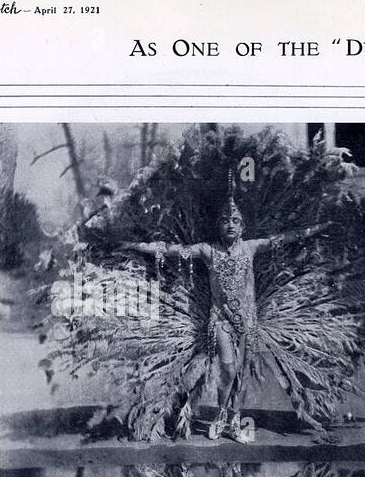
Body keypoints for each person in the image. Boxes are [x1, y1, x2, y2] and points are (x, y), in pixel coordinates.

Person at [121, 187, 332, 442]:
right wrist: (135, 245)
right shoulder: (208, 251)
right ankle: (221, 416)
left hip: (248, 322)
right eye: (224, 221)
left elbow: (287, 237)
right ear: (218, 226)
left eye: (235, 221)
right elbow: (172, 249)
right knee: (228, 369)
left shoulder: (251, 248)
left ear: (242, 226)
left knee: (241, 375)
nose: (230, 225)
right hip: (220, 320)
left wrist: (321, 227)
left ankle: (233, 420)